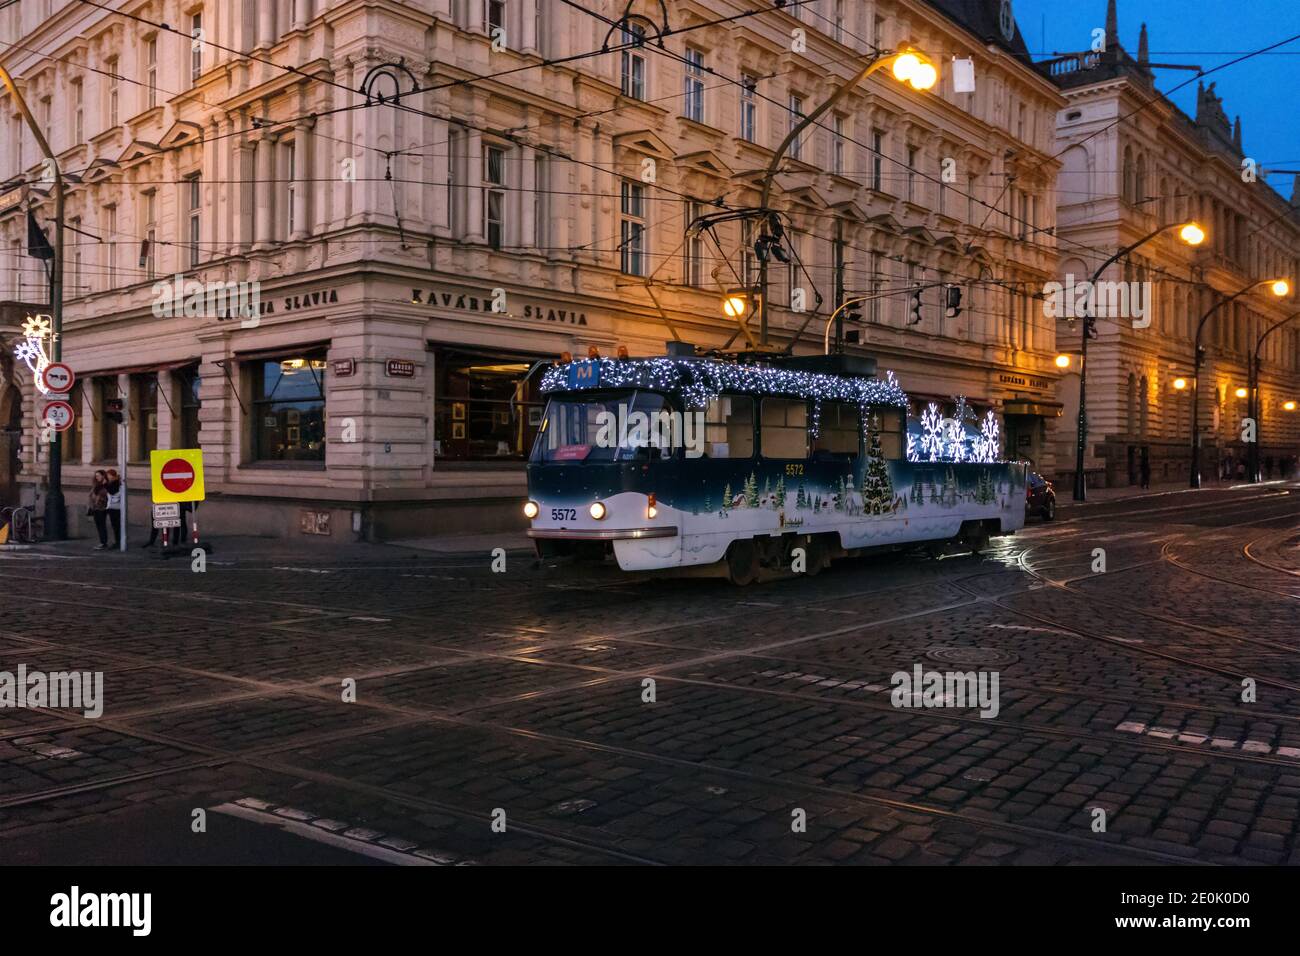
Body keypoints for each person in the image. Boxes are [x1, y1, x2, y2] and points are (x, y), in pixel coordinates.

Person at [87, 470, 110, 550]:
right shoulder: (96, 485)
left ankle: (104, 542)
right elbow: (92, 494)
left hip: (102, 508)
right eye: (96, 476)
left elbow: (104, 495)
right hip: (95, 507)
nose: (97, 477)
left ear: (103, 476)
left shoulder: (105, 485)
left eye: (98, 476)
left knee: (102, 525)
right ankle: (102, 542)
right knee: (98, 525)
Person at [104, 468, 124, 547]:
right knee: (115, 526)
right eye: (107, 475)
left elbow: (112, 492)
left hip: (117, 507)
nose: (108, 477)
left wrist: (105, 485)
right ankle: (117, 541)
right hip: (111, 507)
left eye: (109, 475)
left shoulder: (116, 483)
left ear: (113, 476)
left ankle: (119, 541)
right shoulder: (111, 483)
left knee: (117, 526)